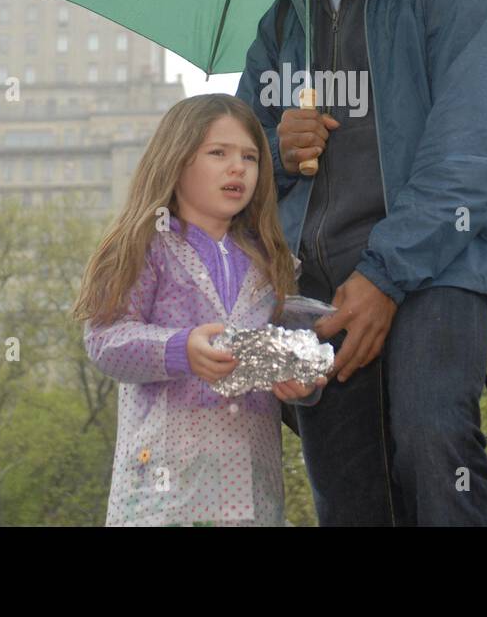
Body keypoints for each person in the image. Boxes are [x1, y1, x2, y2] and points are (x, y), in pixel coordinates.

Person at [235, 0, 487, 525]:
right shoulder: (286, 19)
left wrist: (387, 276)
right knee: (344, 495)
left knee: (433, 444)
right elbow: (228, 165)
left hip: (435, 271)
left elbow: (476, 153)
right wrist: (275, 147)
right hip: (313, 290)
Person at [73, 93, 326, 526]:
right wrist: (180, 349)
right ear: (177, 160)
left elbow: (285, 350)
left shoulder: (272, 262)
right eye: (218, 153)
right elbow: (104, 339)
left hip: (252, 492)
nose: (237, 168)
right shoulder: (143, 247)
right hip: (162, 494)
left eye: (250, 157)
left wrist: (302, 381)